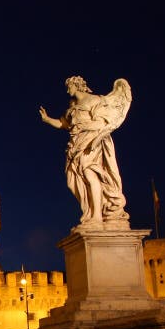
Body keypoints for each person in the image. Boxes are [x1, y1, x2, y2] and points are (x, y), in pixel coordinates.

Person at [39, 76, 132, 227]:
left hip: (91, 141)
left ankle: (96, 216)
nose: (68, 89)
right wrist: (47, 119)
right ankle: (90, 212)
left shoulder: (94, 100)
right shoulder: (72, 106)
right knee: (72, 180)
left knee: (89, 174)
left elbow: (104, 122)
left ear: (76, 85)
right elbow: (64, 124)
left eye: (69, 86)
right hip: (76, 144)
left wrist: (90, 131)